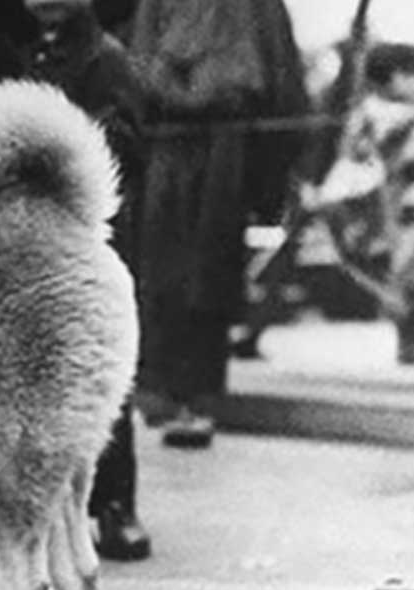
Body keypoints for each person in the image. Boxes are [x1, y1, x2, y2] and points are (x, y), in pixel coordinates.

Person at [0, 0, 153, 570]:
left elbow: (124, 145)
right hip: (15, 242)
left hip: (84, 235)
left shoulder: (106, 60)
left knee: (92, 381)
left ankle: (116, 505)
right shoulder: (6, 52)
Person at [129, 0, 309, 447]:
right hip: (168, 141)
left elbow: (276, 77)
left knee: (208, 269)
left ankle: (199, 396)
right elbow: (139, 62)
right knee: (160, 264)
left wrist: (271, 173)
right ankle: (163, 389)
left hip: (225, 140)